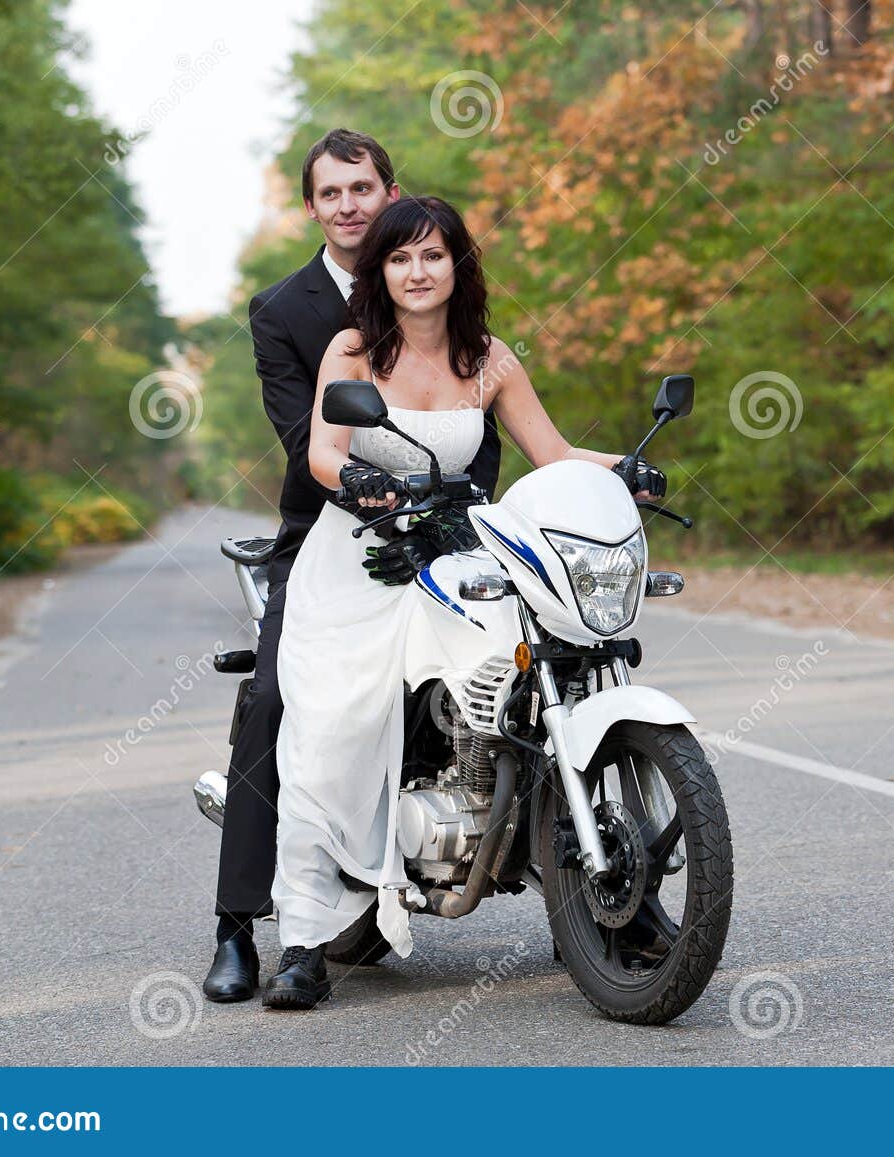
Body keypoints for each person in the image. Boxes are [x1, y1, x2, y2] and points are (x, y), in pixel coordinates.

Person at [261, 195, 664, 1009]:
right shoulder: (352, 350)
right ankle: (304, 939)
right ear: (380, 271)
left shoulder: (490, 359)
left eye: (433, 256)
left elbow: (551, 455)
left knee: (537, 665)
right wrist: (364, 478)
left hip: (458, 547)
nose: (417, 272)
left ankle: (564, 868)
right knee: (333, 727)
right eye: (400, 258)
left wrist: (626, 466)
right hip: (361, 560)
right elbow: (323, 454)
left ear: (457, 266)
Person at [203, 131, 502, 1003]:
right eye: (330, 193)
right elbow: (311, 446)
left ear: (388, 190)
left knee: (541, 655)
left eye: (363, 187)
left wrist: (467, 507)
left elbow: (495, 428)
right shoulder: (285, 311)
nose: (350, 206)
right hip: (331, 531)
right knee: (274, 697)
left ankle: (595, 880)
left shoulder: (446, 301)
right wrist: (377, 489)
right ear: (312, 207)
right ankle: (240, 923)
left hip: (448, 531)